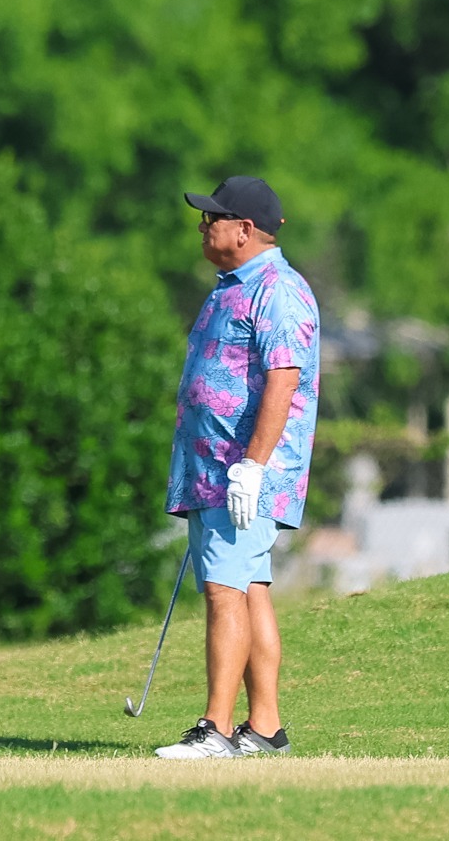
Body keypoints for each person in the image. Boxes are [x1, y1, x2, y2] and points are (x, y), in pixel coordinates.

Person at [155, 176, 320, 760]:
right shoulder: (229, 287)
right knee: (248, 590)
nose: (203, 226)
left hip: (244, 475)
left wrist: (252, 466)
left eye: (213, 218)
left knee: (226, 593)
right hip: (214, 471)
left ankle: (216, 730)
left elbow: (284, 376)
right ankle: (266, 728)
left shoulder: (277, 290)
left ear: (245, 229)